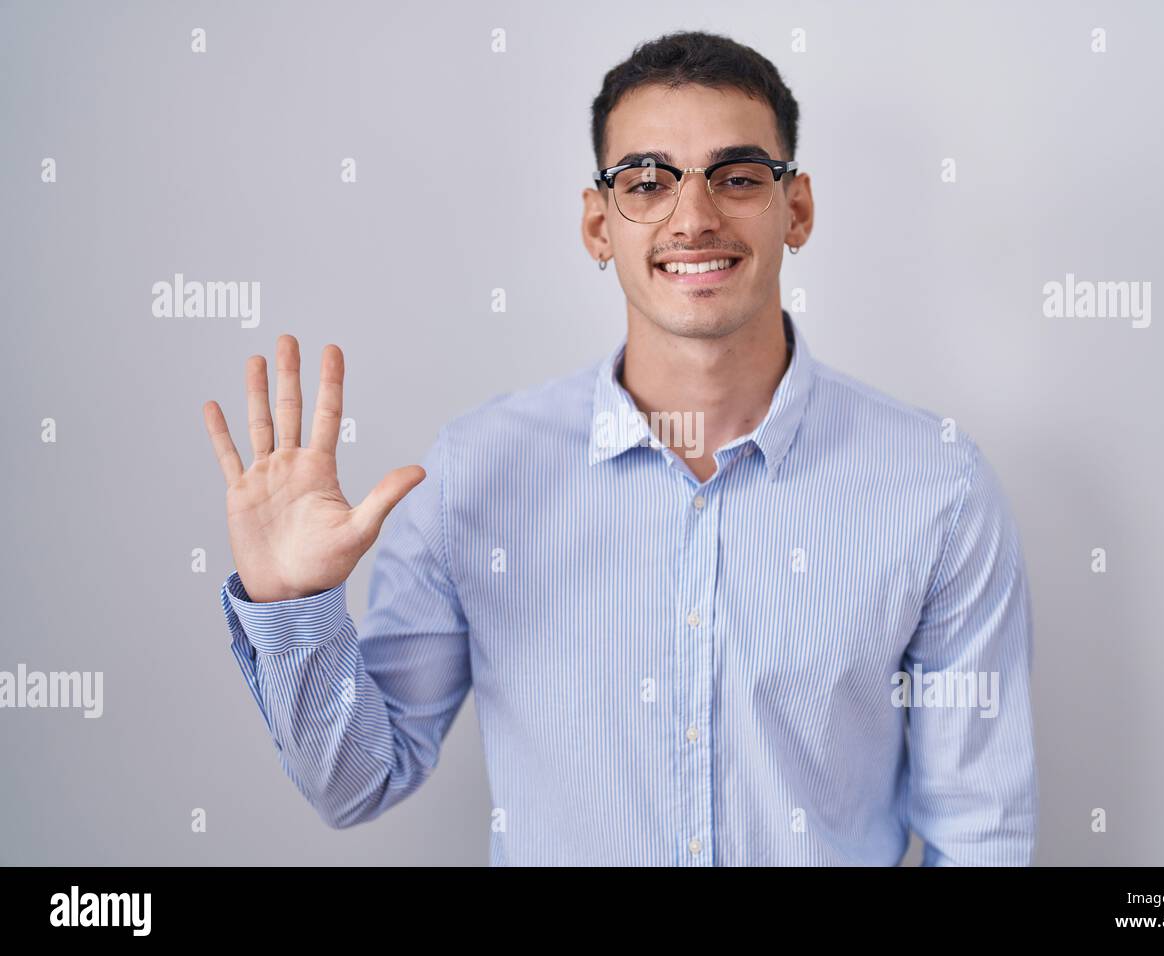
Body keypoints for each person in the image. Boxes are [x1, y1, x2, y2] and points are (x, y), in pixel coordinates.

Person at [201, 30, 1036, 866]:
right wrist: (293, 607)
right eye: (648, 182)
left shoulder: (937, 486)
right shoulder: (476, 476)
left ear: (799, 209)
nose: (695, 217)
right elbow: (355, 786)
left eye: (739, 178)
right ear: (599, 225)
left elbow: (980, 834)